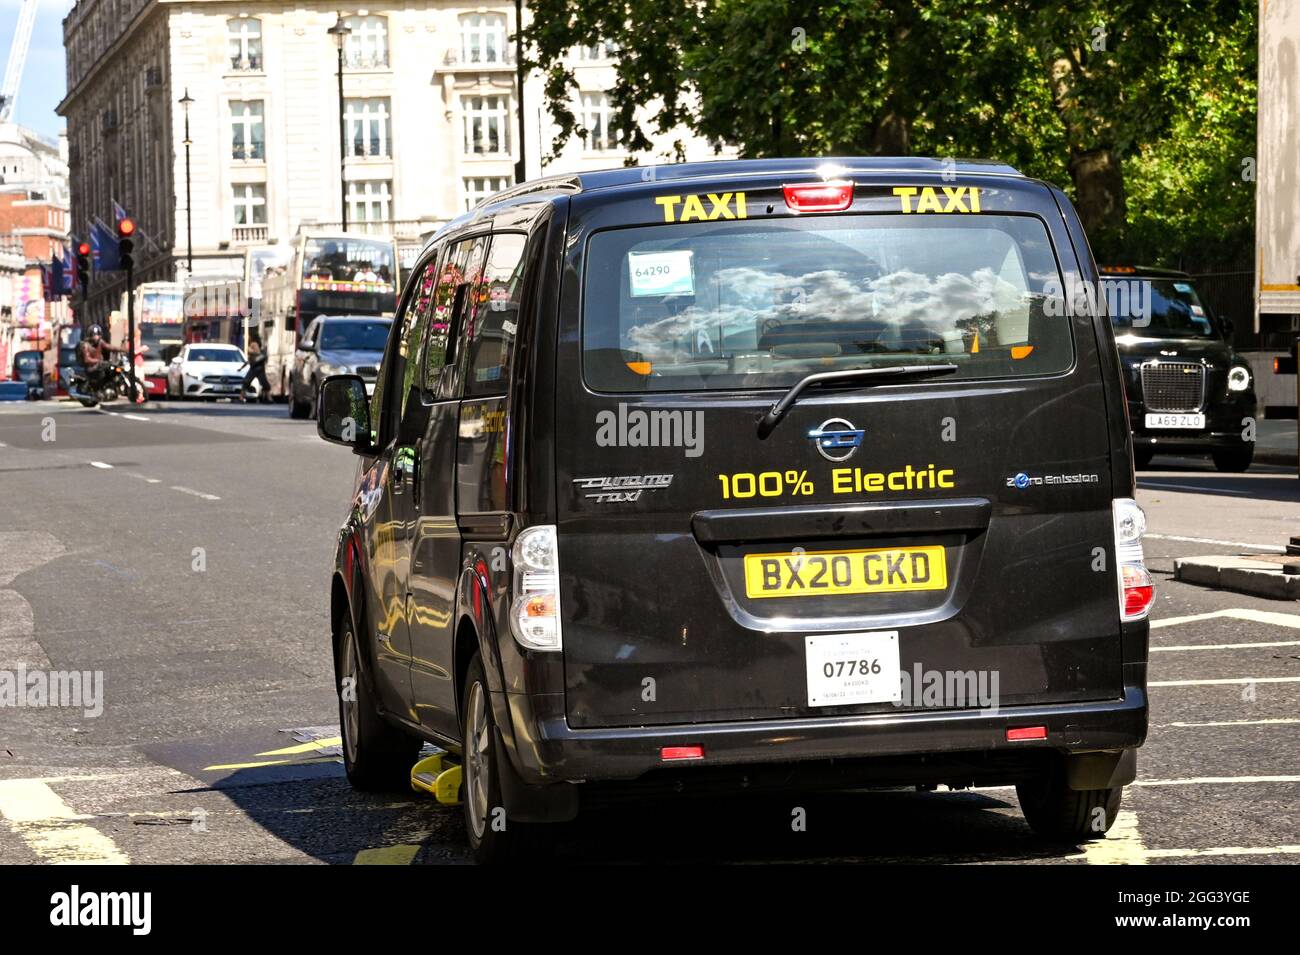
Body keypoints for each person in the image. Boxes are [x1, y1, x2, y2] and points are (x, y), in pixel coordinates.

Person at [76, 325, 126, 392]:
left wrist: (122, 349)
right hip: (91, 367)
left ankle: (111, 386)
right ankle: (99, 390)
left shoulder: (100, 342)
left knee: (112, 369)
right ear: (90, 336)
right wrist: (98, 361)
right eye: (94, 335)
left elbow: (109, 347)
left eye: (97, 335)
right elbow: (87, 359)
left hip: (99, 365)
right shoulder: (86, 345)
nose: (96, 337)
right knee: (102, 372)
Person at [238, 335, 270, 403]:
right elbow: (249, 360)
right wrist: (241, 368)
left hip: (258, 369)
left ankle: (267, 398)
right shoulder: (255, 352)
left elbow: (253, 358)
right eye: (254, 347)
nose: (255, 347)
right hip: (255, 369)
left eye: (256, 346)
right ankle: (241, 397)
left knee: (265, 384)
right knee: (246, 382)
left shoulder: (260, 352)